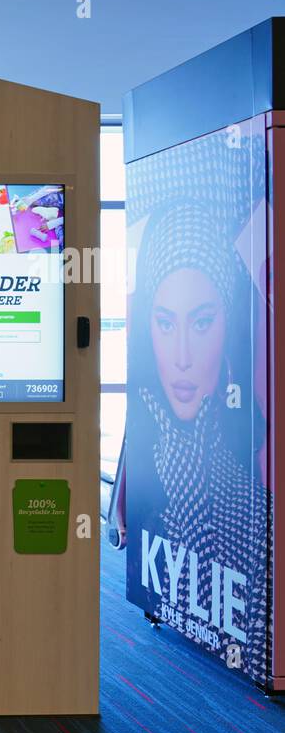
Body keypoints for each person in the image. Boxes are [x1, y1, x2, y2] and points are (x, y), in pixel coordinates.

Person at [126, 203, 269, 679]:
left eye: (202, 322)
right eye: (166, 323)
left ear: (229, 330)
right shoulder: (153, 455)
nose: (182, 356)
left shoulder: (253, 509)